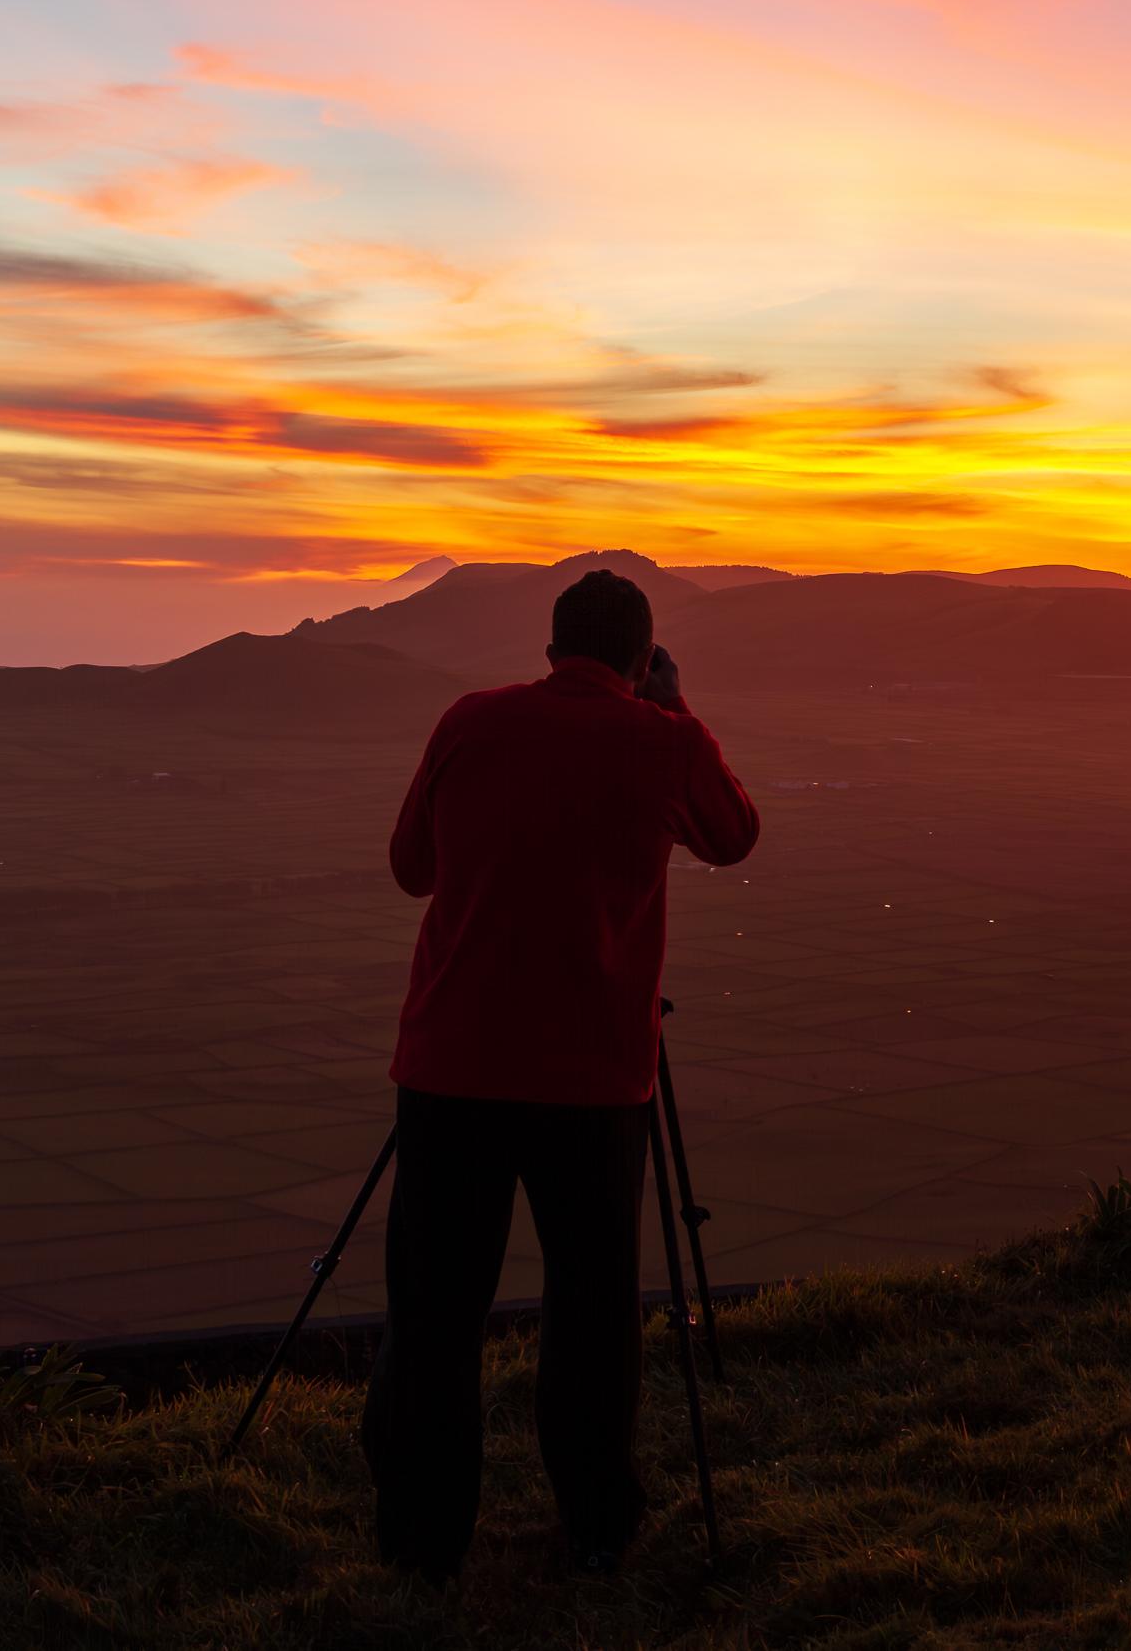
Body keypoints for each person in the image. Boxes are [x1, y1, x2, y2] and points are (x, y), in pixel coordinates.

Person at [361, 566, 759, 1580]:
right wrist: (678, 711)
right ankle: (593, 1526)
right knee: (591, 1308)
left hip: (453, 1067)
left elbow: (412, 867)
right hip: (593, 1080)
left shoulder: (469, 720)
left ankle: (421, 1541)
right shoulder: (661, 739)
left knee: (437, 1311)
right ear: (641, 658)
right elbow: (733, 834)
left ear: (549, 648)